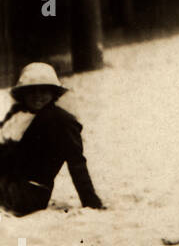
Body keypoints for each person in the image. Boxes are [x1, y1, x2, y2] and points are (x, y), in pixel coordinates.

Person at [0, 62, 104, 216]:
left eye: (43, 91)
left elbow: (77, 162)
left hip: (28, 193)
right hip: (7, 182)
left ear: (53, 93)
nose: (37, 96)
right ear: (23, 94)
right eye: (31, 91)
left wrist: (90, 200)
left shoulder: (60, 121)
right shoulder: (17, 115)